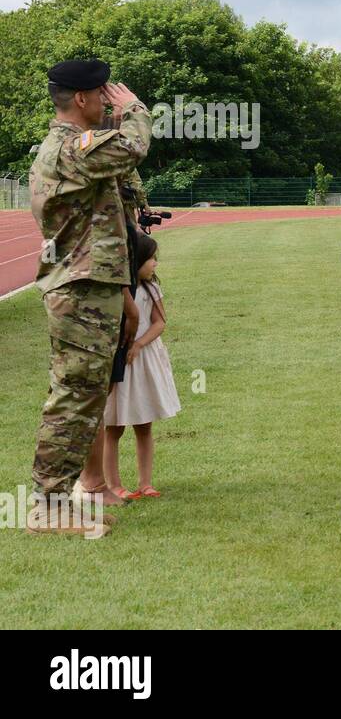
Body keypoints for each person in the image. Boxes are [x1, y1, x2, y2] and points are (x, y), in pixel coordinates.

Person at [27, 60, 151, 536]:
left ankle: (58, 501)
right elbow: (133, 147)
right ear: (81, 99)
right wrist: (135, 109)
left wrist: (123, 294)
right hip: (78, 290)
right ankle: (45, 507)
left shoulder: (76, 147)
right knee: (74, 397)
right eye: (103, 95)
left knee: (85, 396)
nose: (108, 102)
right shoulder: (71, 147)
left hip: (90, 287)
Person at [97, 232, 180, 500]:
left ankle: (146, 483)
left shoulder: (151, 289)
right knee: (114, 426)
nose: (155, 263)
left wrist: (139, 344)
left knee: (144, 424)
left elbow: (159, 322)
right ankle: (114, 484)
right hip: (120, 362)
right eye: (151, 258)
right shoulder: (118, 291)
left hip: (142, 360)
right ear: (137, 260)